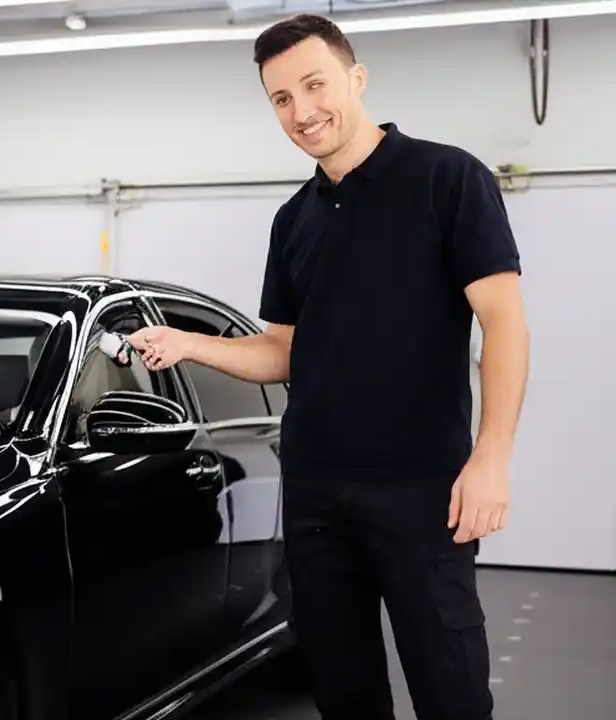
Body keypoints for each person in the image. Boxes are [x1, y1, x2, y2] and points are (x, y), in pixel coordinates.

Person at [126, 13, 530, 720]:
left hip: (421, 489)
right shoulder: (295, 219)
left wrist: (492, 457)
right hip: (314, 493)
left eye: (314, 86)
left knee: (450, 686)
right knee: (342, 690)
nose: (301, 112)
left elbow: (504, 321)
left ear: (356, 78)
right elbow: (283, 349)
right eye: (281, 99)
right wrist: (191, 345)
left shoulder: (446, 178)